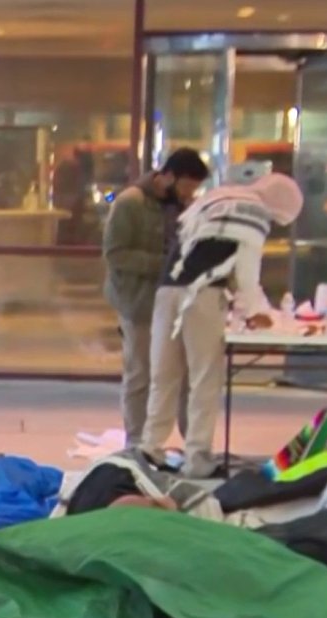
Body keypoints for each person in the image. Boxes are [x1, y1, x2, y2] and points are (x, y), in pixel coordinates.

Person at [141, 173, 304, 478]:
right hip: (202, 297)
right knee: (204, 381)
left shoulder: (217, 198)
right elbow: (245, 275)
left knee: (164, 375)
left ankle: (150, 450)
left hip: (167, 291)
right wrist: (257, 312)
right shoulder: (253, 214)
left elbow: (192, 247)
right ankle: (197, 459)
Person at [103, 148, 209, 447]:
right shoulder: (130, 203)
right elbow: (116, 254)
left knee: (187, 375)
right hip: (140, 302)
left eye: (195, 189)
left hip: (180, 300)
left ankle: (194, 444)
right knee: (141, 373)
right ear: (169, 176)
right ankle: (137, 442)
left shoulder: (185, 205)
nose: (190, 193)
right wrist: (163, 264)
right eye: (187, 186)